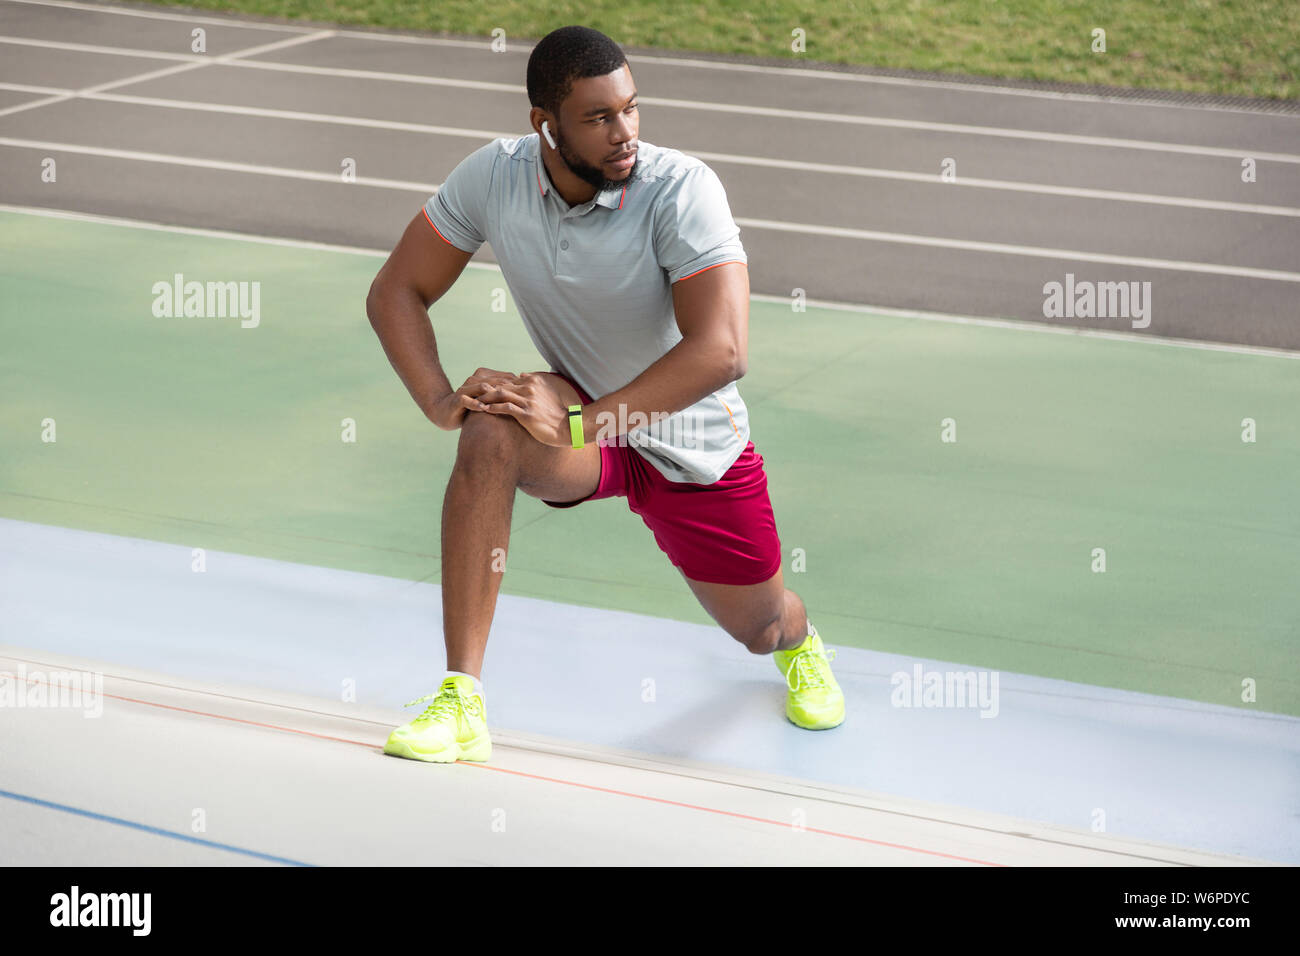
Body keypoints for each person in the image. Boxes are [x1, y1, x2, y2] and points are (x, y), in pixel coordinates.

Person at [366, 25, 844, 763]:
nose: (625, 134)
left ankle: (802, 644)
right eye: (598, 118)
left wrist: (582, 425)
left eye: (630, 108)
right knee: (491, 427)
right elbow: (397, 289)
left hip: (690, 445)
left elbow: (722, 350)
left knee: (762, 628)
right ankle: (462, 700)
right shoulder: (493, 177)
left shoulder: (681, 189)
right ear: (544, 124)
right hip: (583, 419)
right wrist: (437, 401)